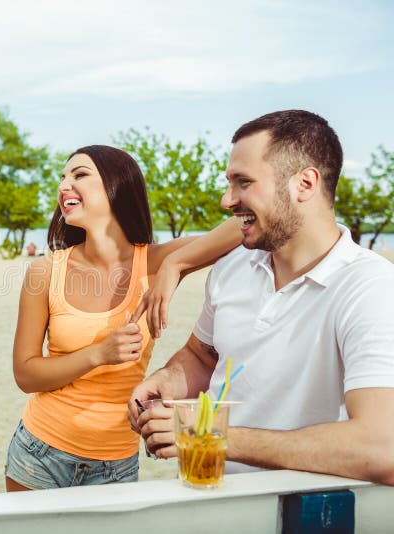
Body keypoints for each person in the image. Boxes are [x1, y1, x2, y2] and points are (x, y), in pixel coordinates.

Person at [130, 110, 394, 484]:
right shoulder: (232, 267)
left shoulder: (370, 287)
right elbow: (202, 355)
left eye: (243, 182)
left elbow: (383, 448)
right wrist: (169, 379)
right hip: (208, 496)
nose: (227, 200)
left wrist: (215, 438)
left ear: (305, 184)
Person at [5, 145, 242, 491]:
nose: (64, 186)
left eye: (80, 175)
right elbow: (26, 374)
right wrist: (98, 354)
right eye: (63, 177)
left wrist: (174, 266)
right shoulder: (45, 271)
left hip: (115, 465)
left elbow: (240, 225)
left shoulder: (156, 261)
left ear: (117, 187)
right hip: (39, 454)